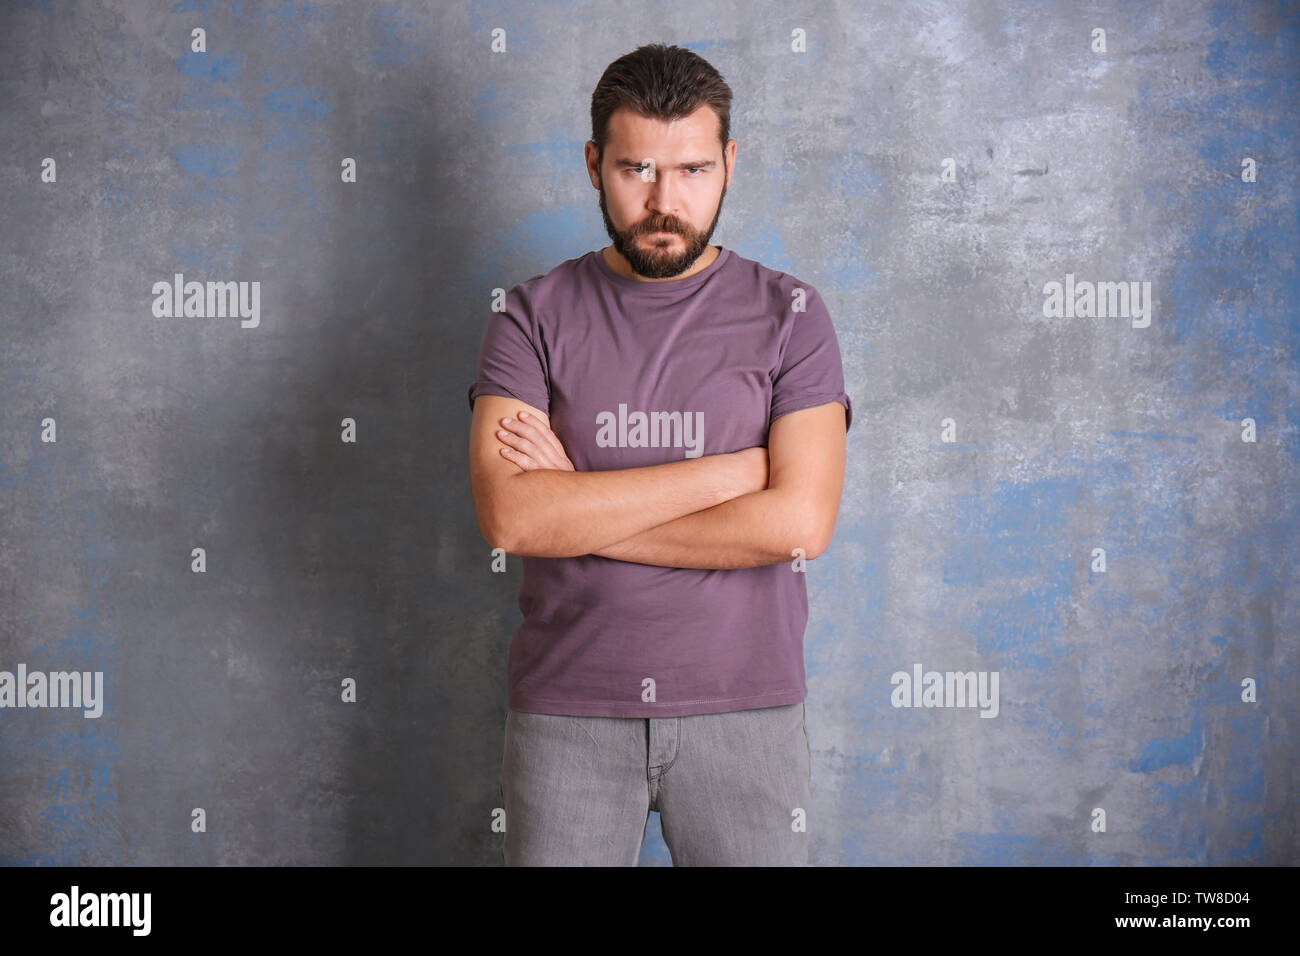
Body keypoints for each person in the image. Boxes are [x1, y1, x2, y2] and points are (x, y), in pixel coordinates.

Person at [466, 42, 852, 866]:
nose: (664, 202)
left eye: (692, 171)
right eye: (636, 170)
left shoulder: (791, 314)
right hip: (567, 711)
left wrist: (579, 506)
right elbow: (512, 515)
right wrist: (731, 473)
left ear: (730, 164)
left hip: (747, 712)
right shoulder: (528, 317)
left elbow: (799, 523)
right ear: (594, 163)